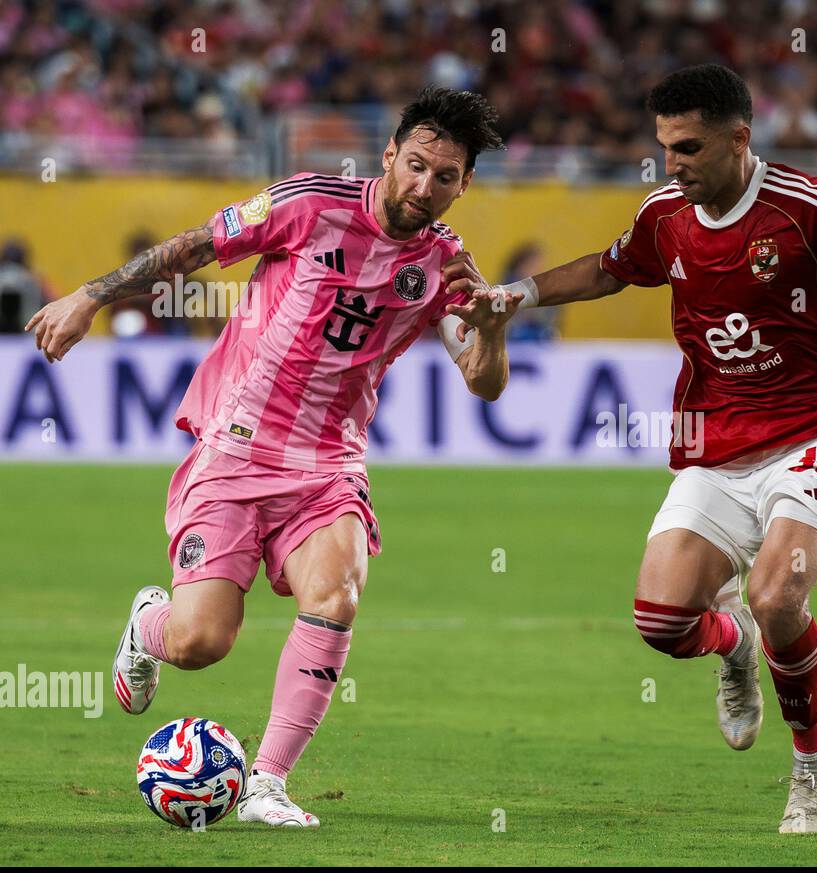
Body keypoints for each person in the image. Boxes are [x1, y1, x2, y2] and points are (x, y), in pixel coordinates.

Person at [471, 64, 817, 834]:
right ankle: (734, 647)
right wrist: (516, 296)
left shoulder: (807, 208)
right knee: (660, 622)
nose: (673, 164)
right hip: (715, 447)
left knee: (778, 592)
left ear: (739, 138)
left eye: (688, 147)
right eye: (664, 147)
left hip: (814, 433)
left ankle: (814, 769)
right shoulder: (665, 216)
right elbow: (608, 270)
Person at [25, 86, 522, 827]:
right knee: (200, 643)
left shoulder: (448, 269)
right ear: (389, 156)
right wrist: (91, 296)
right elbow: (195, 246)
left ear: (464, 183)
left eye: (445, 176)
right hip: (236, 446)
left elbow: (482, 383)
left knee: (338, 595)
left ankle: (266, 784)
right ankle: (147, 628)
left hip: (329, 466)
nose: (425, 187)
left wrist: (491, 329)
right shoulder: (309, 202)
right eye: (415, 165)